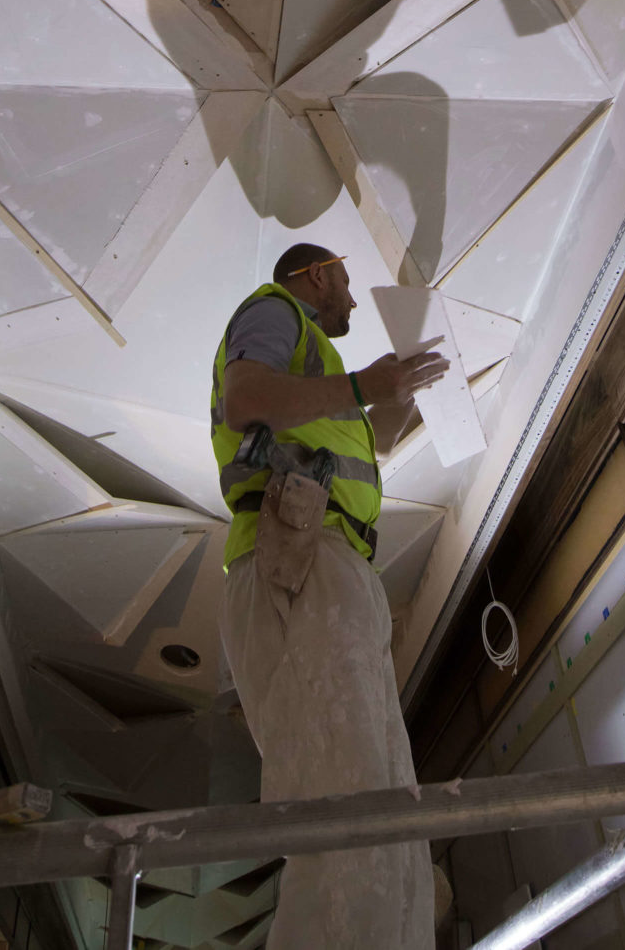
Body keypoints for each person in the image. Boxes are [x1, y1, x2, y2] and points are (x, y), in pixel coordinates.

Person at [210, 242, 449, 949]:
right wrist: (361, 385)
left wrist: (392, 401)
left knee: (386, 814)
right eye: (342, 279)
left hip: (331, 560)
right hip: (299, 556)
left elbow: (364, 438)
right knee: (348, 815)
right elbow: (243, 399)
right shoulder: (274, 308)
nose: (348, 293)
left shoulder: (320, 365)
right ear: (316, 274)